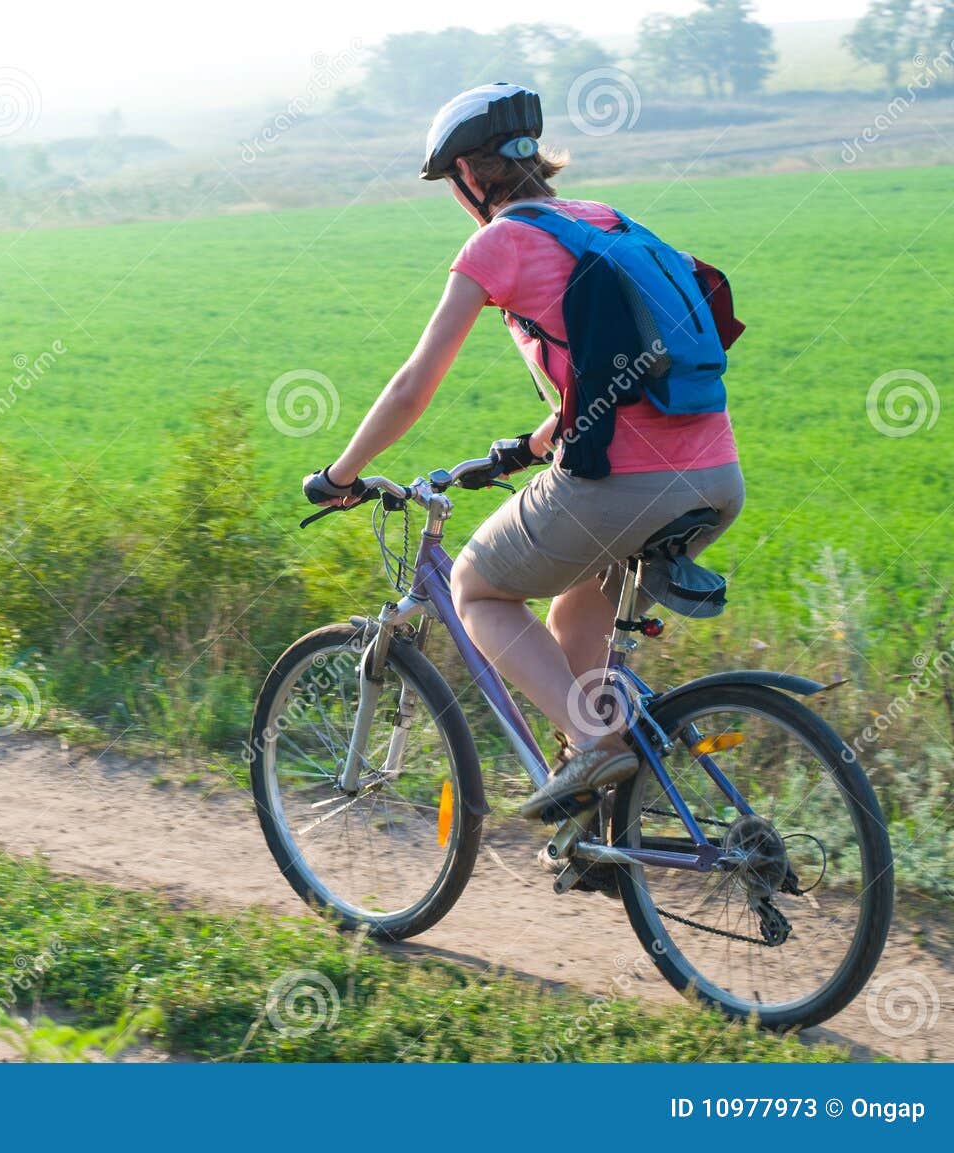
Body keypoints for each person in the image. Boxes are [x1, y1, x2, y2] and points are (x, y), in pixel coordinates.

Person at [302, 82, 744, 822]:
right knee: (574, 624)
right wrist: (527, 447)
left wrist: (340, 475)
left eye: (453, 181)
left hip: (625, 486)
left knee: (477, 589)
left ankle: (592, 742)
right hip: (715, 478)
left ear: (471, 177)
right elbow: (610, 369)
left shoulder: (498, 242)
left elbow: (414, 385)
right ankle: (609, 828)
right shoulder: (602, 220)